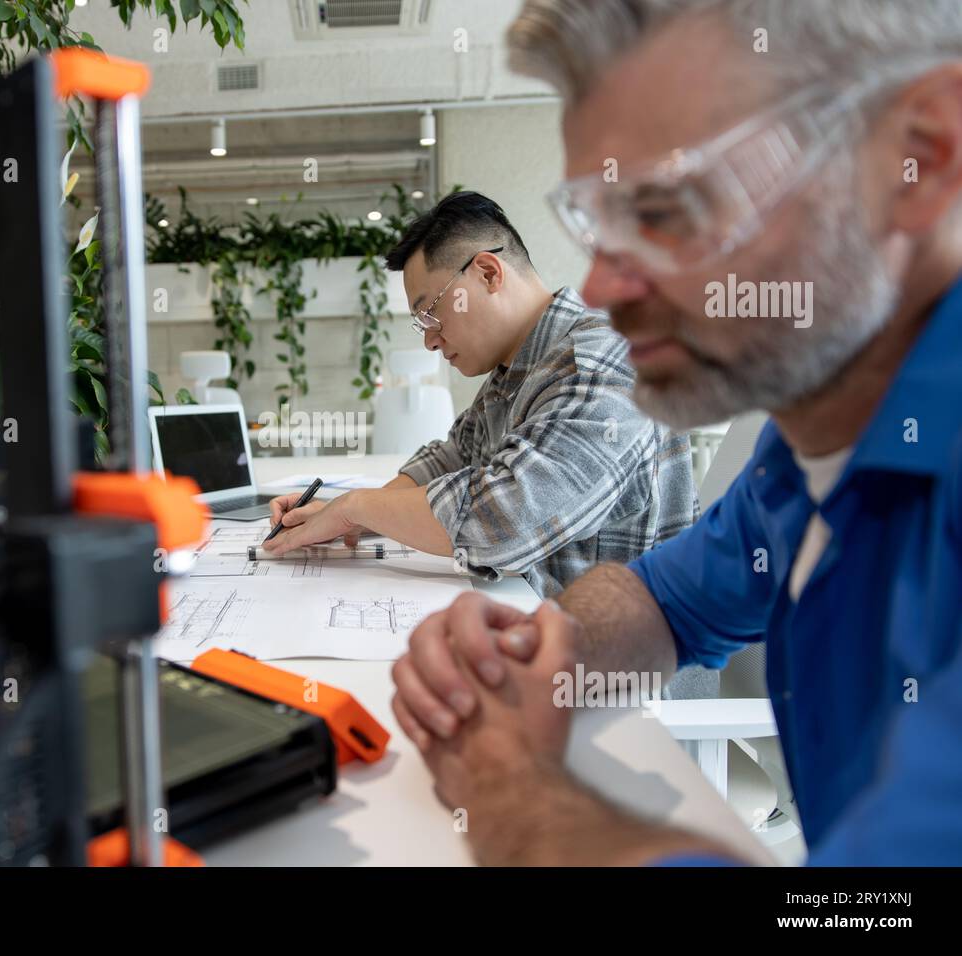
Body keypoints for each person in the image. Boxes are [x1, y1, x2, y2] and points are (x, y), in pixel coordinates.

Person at [391, 0, 962, 865]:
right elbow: (664, 598)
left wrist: (508, 787)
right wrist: (531, 656)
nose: (605, 288)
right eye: (597, 220)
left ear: (919, 158)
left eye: (665, 210)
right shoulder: (815, 440)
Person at [264, 191, 698, 598]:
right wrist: (345, 513)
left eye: (430, 313)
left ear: (488, 272)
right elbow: (454, 456)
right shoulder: (516, 366)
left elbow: (507, 519)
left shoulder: (604, 358)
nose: (430, 342)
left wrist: (356, 509)